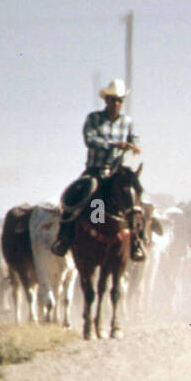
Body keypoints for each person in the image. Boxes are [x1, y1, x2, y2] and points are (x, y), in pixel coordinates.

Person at [51, 79, 143, 256]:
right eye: (112, 100)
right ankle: (66, 237)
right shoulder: (93, 119)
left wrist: (134, 145)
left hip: (117, 172)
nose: (116, 104)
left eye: (119, 100)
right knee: (77, 197)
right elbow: (90, 139)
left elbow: (134, 138)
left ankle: (137, 241)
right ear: (106, 100)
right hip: (96, 171)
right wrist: (115, 144)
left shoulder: (127, 122)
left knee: (135, 198)